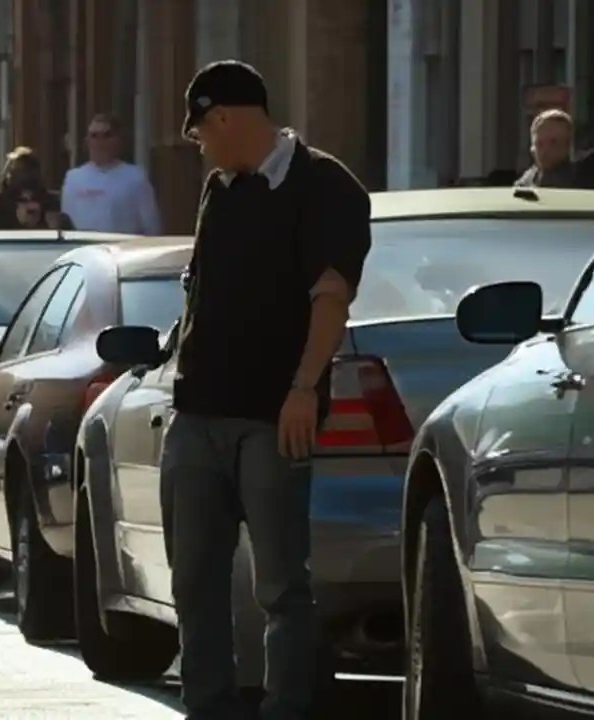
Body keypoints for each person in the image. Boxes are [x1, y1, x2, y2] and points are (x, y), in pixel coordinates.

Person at [165, 60, 371, 720]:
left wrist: (304, 389)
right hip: (197, 415)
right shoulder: (221, 188)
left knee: (280, 585)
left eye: (201, 131)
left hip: (272, 416)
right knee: (194, 581)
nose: (200, 145)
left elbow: (331, 297)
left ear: (224, 117)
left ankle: (286, 709)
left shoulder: (324, 185)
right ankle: (210, 708)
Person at [60, 113, 162, 235]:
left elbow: (151, 226)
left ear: (118, 140)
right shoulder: (73, 178)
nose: (100, 141)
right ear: (87, 141)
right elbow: (65, 224)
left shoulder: (135, 177)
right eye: (94, 136)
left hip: (123, 250)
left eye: (107, 135)